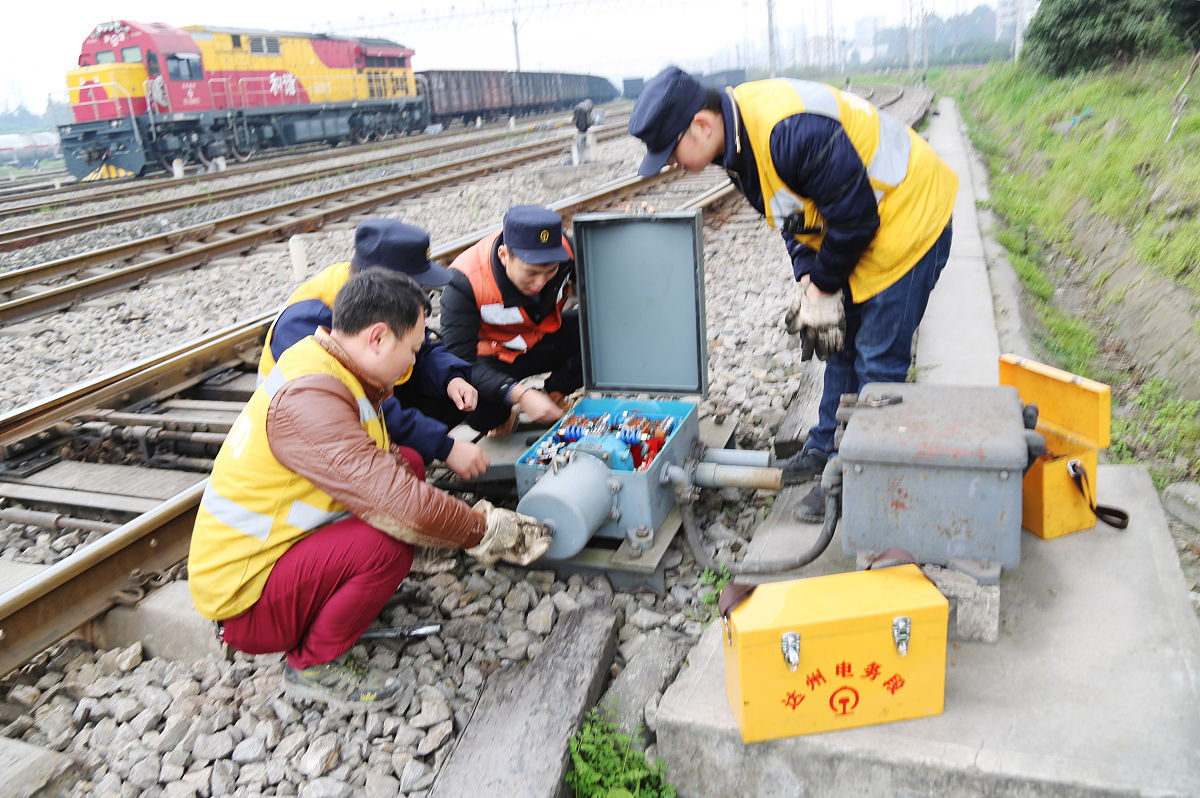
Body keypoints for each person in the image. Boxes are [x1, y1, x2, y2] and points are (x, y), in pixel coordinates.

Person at [189, 268, 551, 709]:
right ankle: (314, 664)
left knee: (412, 464)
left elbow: (389, 469)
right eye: (413, 349)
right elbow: (403, 508)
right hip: (246, 600)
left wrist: (442, 528)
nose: (415, 362)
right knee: (387, 544)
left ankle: (344, 599)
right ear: (378, 337)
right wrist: (483, 529)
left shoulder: (329, 362)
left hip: (272, 561)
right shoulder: (311, 401)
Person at [629, 67, 957, 522]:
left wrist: (824, 287)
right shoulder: (739, 145)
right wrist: (809, 281)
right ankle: (824, 450)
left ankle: (861, 480)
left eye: (672, 152)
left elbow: (856, 219)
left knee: (878, 362)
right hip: (864, 227)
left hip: (908, 222)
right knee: (837, 349)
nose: (671, 165)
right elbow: (792, 218)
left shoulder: (788, 132)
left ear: (702, 126)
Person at [261, 218, 489, 480]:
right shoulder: (306, 320)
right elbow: (360, 402)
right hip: (314, 428)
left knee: (449, 397)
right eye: (417, 285)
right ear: (387, 281)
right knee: (408, 455)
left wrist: (452, 378)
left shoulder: (378, 293)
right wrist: (445, 448)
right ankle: (387, 466)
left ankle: (398, 456)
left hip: (368, 394)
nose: (420, 293)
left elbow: (420, 347)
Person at [438, 205, 583, 434]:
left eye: (550, 272)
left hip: (542, 341)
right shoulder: (463, 281)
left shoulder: (565, 251)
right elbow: (459, 362)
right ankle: (501, 418)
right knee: (478, 408)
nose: (540, 283)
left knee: (595, 331)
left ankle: (553, 396)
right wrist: (518, 394)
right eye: (531, 273)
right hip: (496, 357)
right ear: (504, 256)